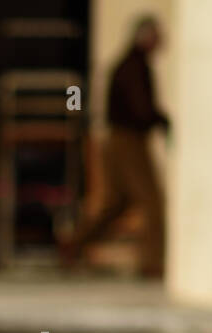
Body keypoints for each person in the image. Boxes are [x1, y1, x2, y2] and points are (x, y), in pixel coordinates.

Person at [61, 16, 169, 279]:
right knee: (152, 202)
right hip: (127, 140)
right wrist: (159, 119)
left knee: (117, 203)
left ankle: (73, 243)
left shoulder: (132, 64)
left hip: (120, 140)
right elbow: (140, 108)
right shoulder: (132, 67)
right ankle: (152, 264)